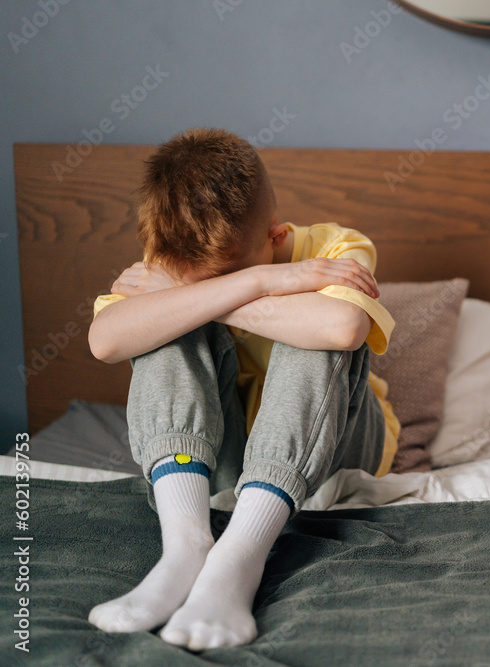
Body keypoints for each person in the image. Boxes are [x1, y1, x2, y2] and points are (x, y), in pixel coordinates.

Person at [86, 127, 399, 650]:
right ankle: (186, 544)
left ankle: (239, 556)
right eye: (196, 278)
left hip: (345, 450)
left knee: (318, 328)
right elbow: (104, 341)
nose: (201, 283)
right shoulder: (165, 258)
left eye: (238, 271)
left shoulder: (334, 248)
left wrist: (212, 293)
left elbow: (343, 329)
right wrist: (254, 282)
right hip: (224, 461)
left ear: (276, 237)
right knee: (162, 329)